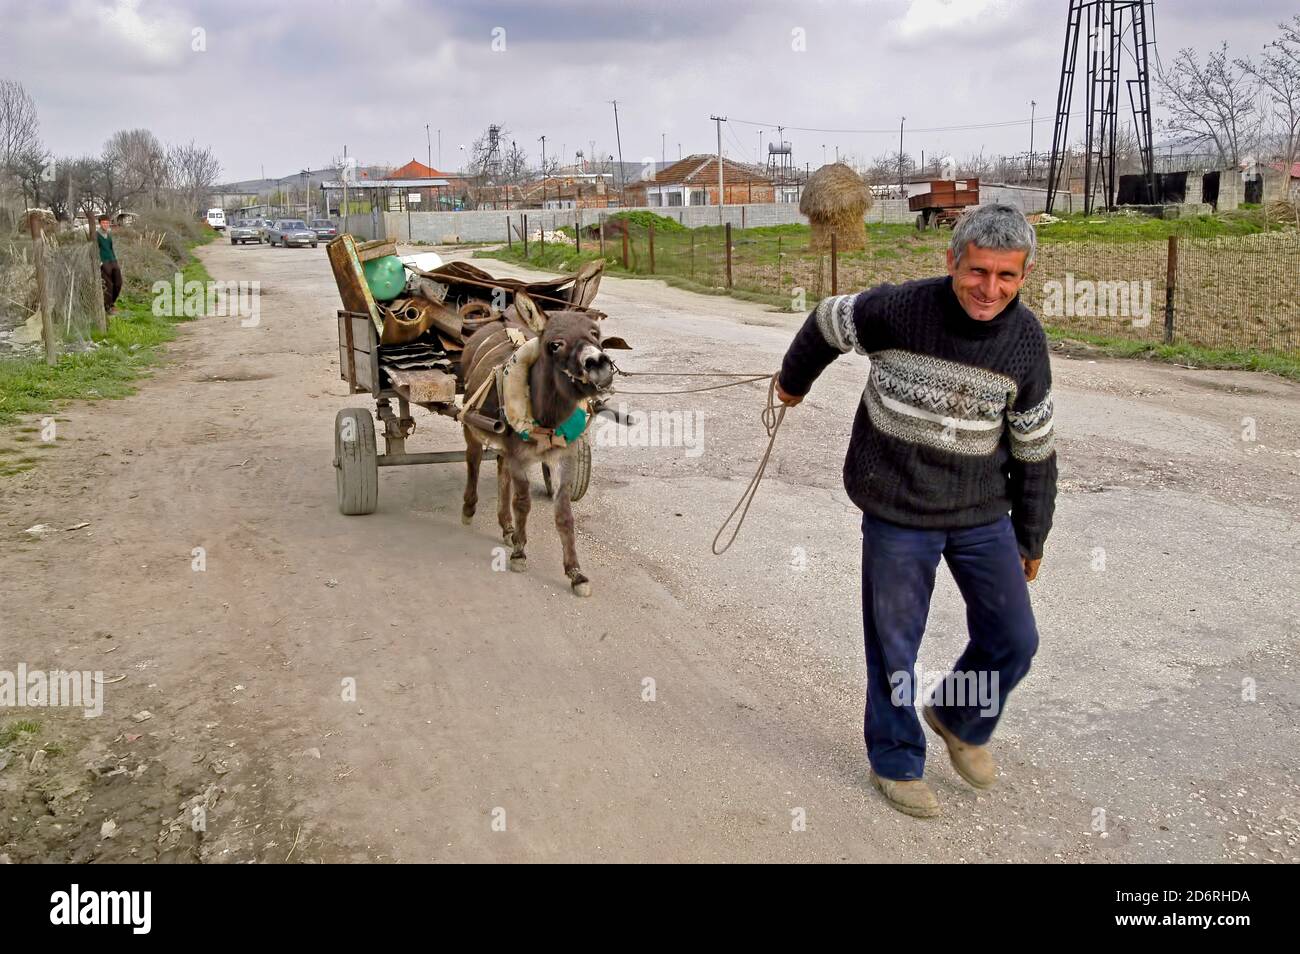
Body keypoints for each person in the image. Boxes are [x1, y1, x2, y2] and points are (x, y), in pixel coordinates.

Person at [775, 203, 1058, 818]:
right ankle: (897, 761)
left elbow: (1035, 449)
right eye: (977, 271)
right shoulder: (898, 309)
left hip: (981, 510)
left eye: (1006, 277)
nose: (990, 290)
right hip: (897, 507)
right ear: (951, 260)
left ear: (1025, 275)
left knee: (1014, 637)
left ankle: (959, 714)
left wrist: (1030, 537)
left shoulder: (1025, 342)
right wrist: (793, 383)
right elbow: (826, 322)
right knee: (894, 643)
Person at [96, 215, 122, 314]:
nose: (105, 224)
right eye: (103, 223)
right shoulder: (97, 235)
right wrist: (99, 262)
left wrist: (115, 259)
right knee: (108, 285)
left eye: (107, 223)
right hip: (104, 262)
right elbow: (94, 250)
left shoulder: (109, 234)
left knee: (118, 283)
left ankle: (112, 303)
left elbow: (111, 248)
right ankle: (107, 307)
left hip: (113, 260)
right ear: (100, 223)